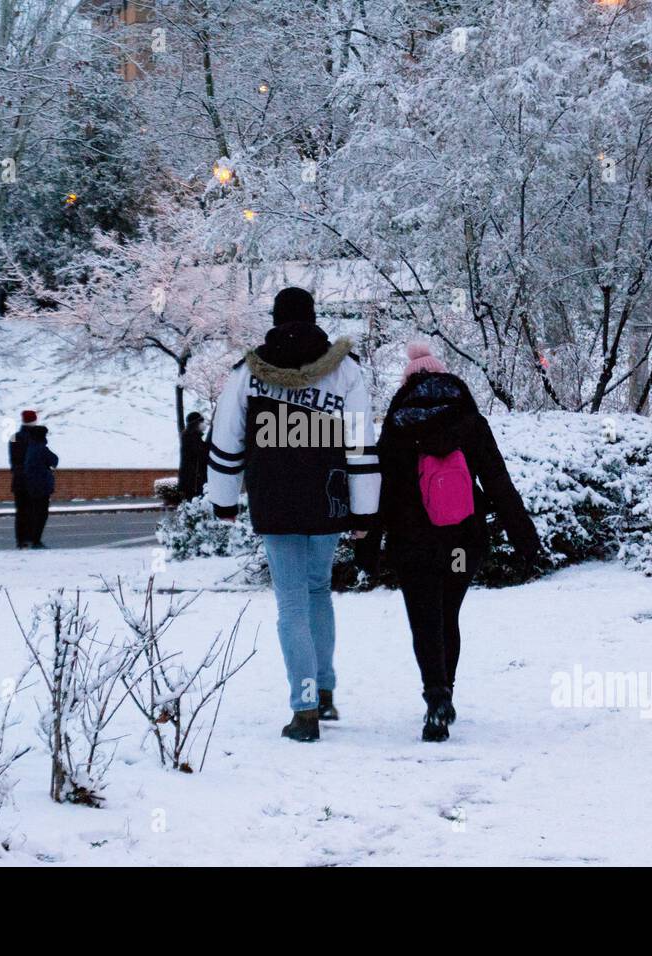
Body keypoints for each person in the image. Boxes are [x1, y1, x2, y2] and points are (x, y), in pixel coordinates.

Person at [207, 286, 380, 742]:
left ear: (275, 318)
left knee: (291, 603)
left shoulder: (247, 372)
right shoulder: (345, 371)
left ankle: (304, 712)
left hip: (275, 501)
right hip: (329, 499)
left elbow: (226, 439)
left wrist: (223, 501)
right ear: (314, 317)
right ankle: (323, 691)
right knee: (319, 590)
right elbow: (361, 446)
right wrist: (364, 511)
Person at [357, 342, 541, 742]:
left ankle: (436, 698)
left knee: (425, 619)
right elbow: (497, 481)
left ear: (407, 383)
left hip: (413, 542)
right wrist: (525, 539)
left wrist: (367, 548)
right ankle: (447, 692)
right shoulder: (470, 421)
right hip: (461, 543)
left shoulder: (397, 423)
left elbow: (380, 490)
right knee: (448, 613)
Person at [10, 410, 58, 548]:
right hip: (34, 480)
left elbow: (13, 458)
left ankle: (21, 541)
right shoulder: (36, 438)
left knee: (21, 512)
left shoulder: (14, 437)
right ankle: (34, 539)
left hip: (18, 479)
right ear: (34, 420)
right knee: (37, 511)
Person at [177, 411, 208, 501]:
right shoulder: (190, 437)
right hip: (193, 481)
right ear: (195, 424)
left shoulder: (193, 436)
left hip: (192, 479)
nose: (203, 424)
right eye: (201, 421)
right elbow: (201, 453)